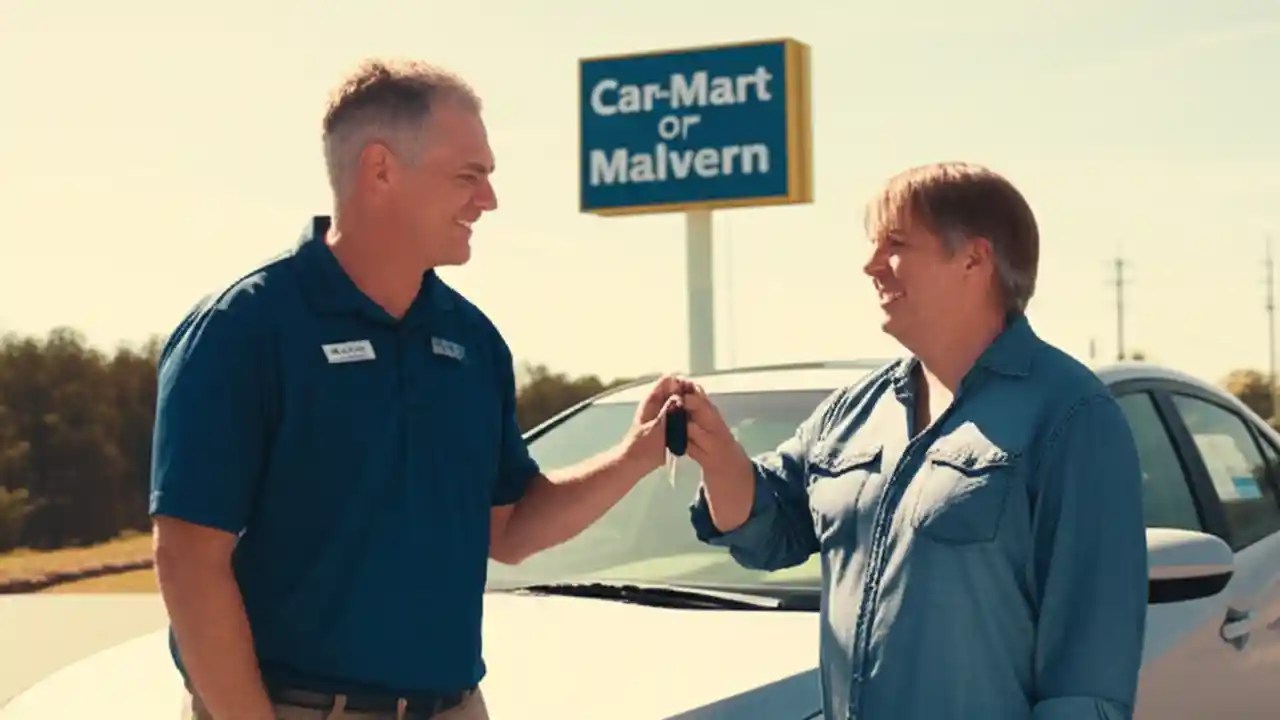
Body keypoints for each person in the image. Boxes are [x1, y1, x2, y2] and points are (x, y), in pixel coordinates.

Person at [149, 58, 683, 720]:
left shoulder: (473, 342)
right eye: (469, 176)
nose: (488, 201)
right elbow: (189, 562)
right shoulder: (241, 330)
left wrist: (634, 456)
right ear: (380, 169)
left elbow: (510, 528)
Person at [681, 162, 1148, 720]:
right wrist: (715, 451)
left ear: (974, 259)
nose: (871, 265)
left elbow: (1087, 669)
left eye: (895, 244)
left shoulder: (1072, 417)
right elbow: (766, 531)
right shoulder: (851, 412)